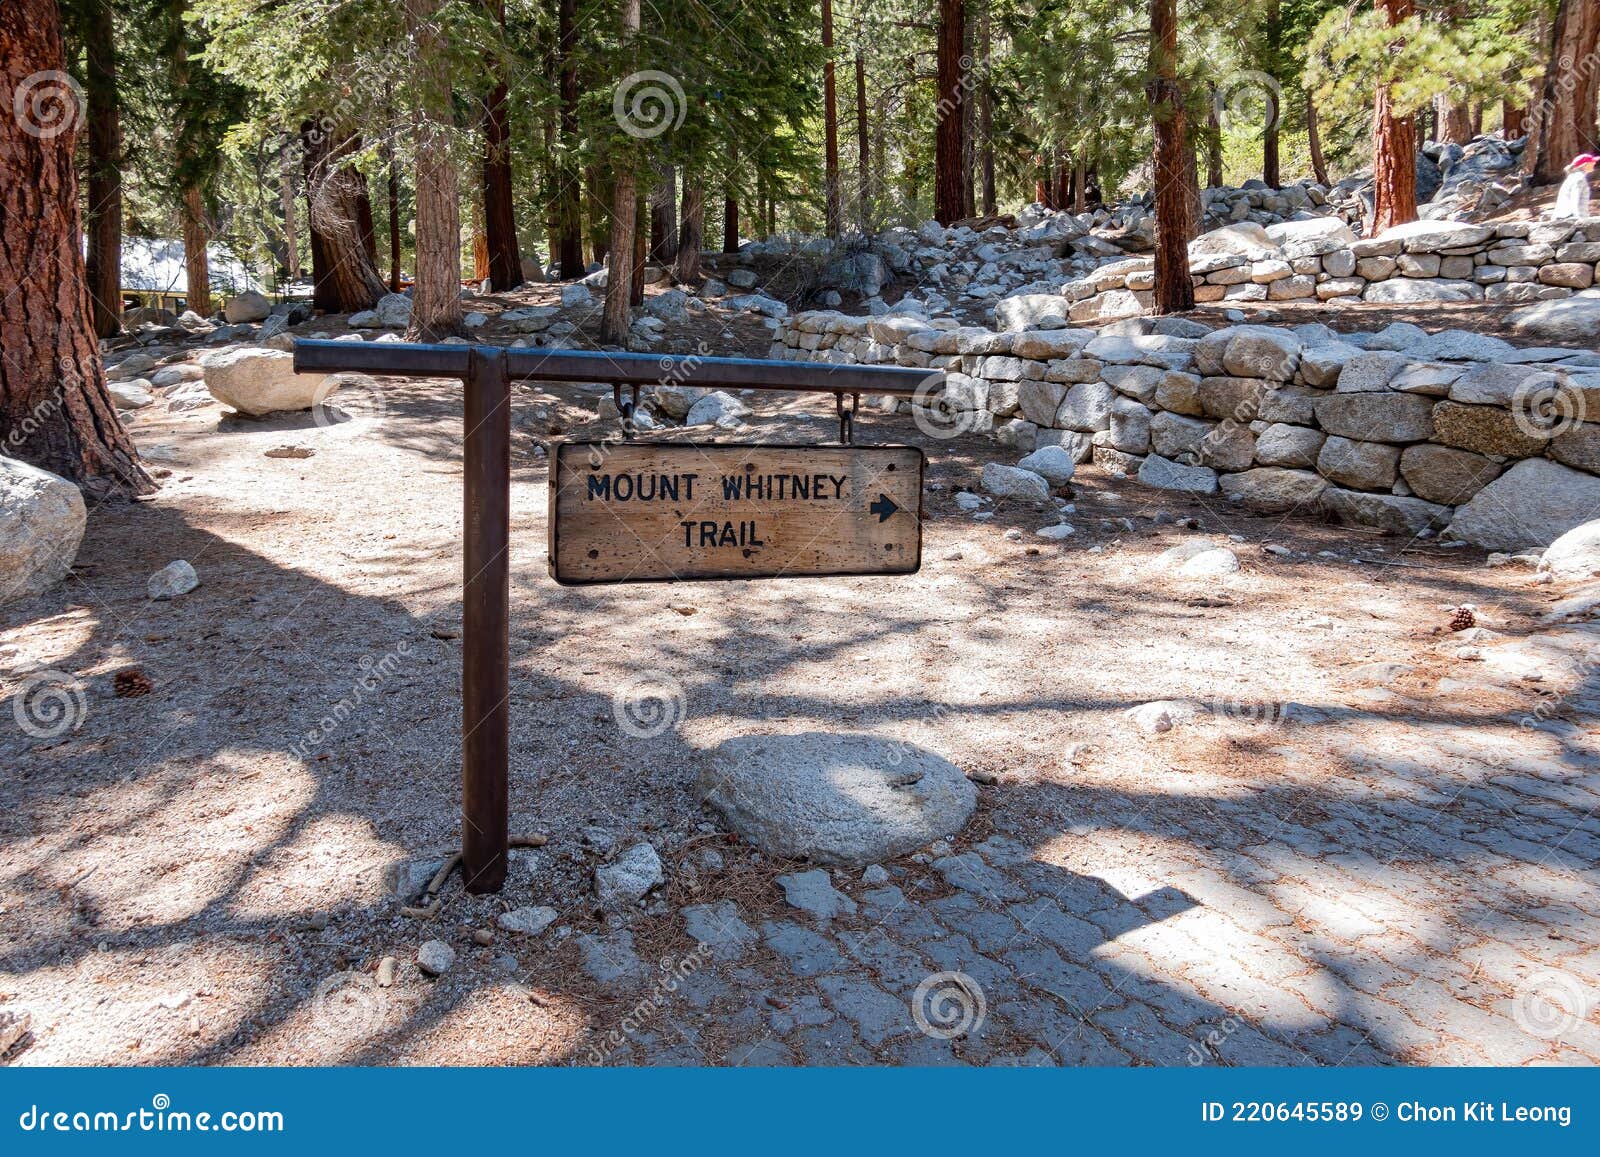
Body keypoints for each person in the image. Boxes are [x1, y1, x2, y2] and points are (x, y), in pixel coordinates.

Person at [1553, 154, 1597, 219]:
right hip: (1570, 218)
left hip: (1564, 216)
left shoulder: (1572, 177)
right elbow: (1574, 198)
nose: (1595, 162)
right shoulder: (1579, 178)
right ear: (1585, 164)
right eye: (1592, 162)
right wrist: (1578, 219)